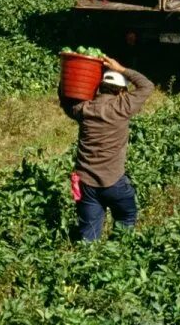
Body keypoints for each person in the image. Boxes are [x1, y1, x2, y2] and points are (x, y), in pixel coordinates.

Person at [59, 56, 154, 241]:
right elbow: (147, 86)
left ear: (99, 88)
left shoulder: (85, 109)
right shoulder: (122, 106)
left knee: (89, 235)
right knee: (126, 216)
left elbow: (65, 100)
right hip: (113, 182)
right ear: (121, 92)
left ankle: (88, 262)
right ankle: (116, 253)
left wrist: (68, 75)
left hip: (86, 183)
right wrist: (121, 68)